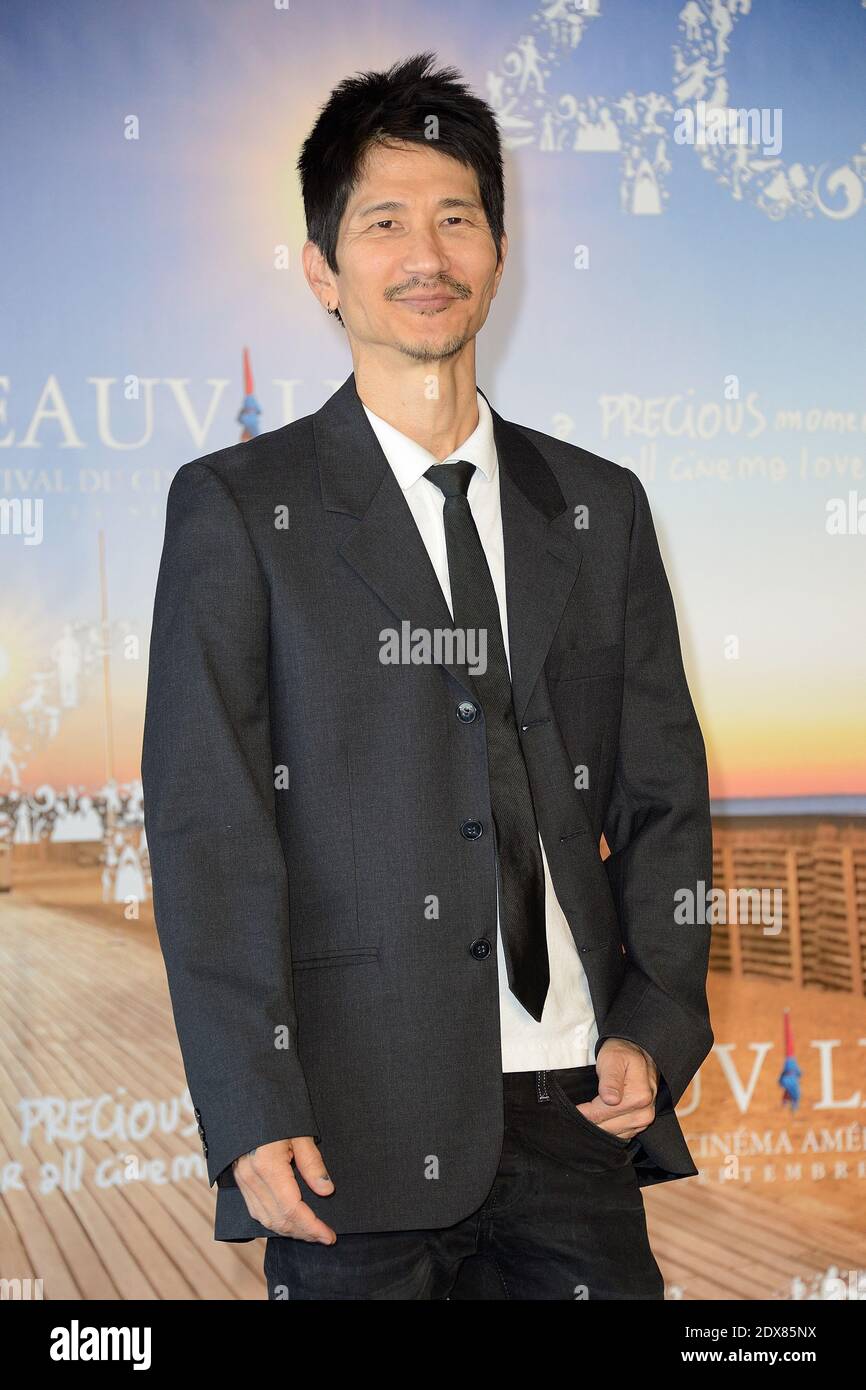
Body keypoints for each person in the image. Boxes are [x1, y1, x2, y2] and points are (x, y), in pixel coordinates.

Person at [141, 51, 713, 1301]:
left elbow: (663, 795)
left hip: (578, 1112)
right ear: (321, 271)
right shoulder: (239, 510)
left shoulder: (597, 508)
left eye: (456, 217)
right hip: (352, 1127)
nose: (426, 253)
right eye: (383, 221)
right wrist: (248, 1101)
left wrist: (657, 1018)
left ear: (499, 253)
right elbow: (208, 830)